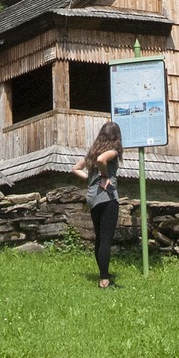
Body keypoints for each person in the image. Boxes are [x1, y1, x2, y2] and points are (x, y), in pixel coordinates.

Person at [72, 120, 123, 287]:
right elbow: (102, 160)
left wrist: (90, 179)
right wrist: (104, 176)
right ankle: (104, 280)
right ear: (116, 137)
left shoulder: (92, 153)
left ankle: (103, 274)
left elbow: (75, 168)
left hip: (93, 198)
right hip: (107, 197)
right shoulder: (112, 152)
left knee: (99, 238)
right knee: (106, 239)